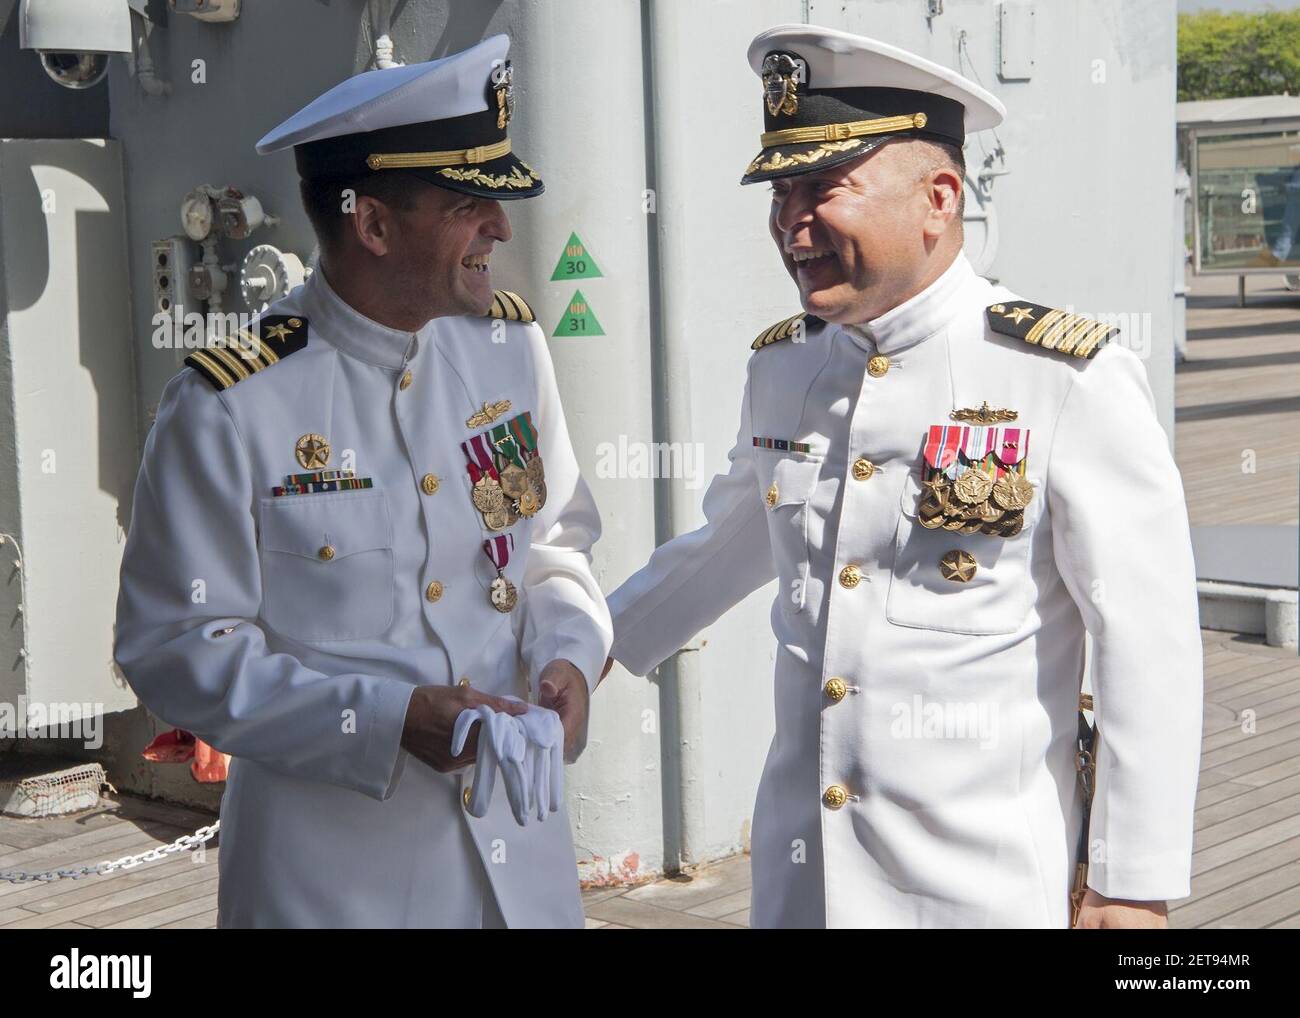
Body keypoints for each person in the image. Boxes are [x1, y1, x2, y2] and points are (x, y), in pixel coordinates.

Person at [603, 24, 1203, 929]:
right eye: (779, 191)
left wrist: (1131, 882)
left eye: (822, 188)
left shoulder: (1062, 376)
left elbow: (1147, 645)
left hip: (976, 892)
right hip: (804, 885)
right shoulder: (784, 371)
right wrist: (590, 644)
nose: (788, 222)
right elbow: (729, 540)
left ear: (940, 198)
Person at [113, 35, 611, 928]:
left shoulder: (507, 347)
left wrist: (570, 652)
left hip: (518, 873)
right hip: (335, 887)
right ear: (374, 225)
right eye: (469, 205)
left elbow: (551, 547)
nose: (499, 227)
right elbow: (176, 645)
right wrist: (383, 722)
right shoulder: (231, 403)